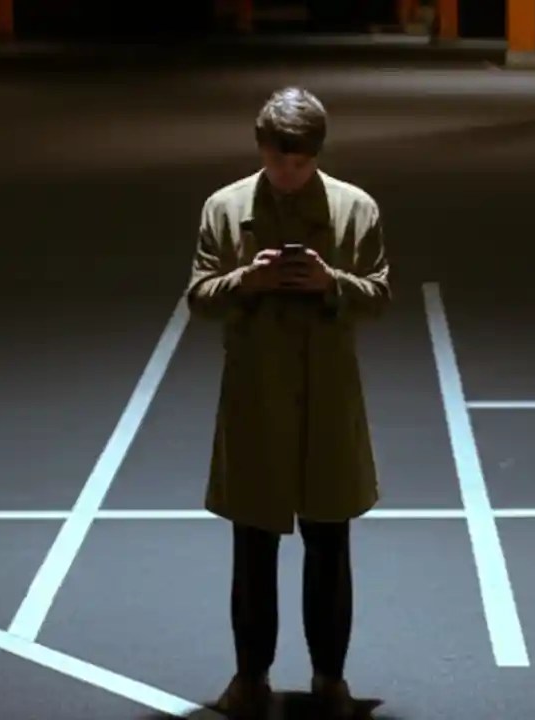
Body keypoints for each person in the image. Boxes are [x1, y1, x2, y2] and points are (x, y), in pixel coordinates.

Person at [185, 86, 391, 718]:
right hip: (256, 399)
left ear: (317, 155)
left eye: (301, 165)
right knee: (254, 550)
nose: (289, 176)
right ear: (261, 148)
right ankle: (250, 679)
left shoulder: (356, 209)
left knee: (330, 547)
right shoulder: (224, 209)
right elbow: (198, 295)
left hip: (328, 398)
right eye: (279, 162)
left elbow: (379, 294)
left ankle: (331, 681)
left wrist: (333, 282)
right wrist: (248, 279)